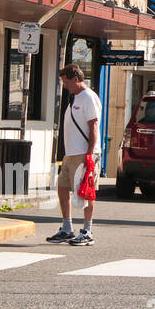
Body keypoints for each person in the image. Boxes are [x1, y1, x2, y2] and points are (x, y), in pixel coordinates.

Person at [49, 64, 101, 246]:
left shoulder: (88, 97)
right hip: (70, 154)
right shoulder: (75, 97)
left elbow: (93, 125)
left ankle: (87, 231)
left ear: (76, 79)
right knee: (62, 187)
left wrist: (89, 155)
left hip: (84, 153)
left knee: (87, 192)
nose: (64, 85)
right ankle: (67, 228)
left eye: (66, 81)